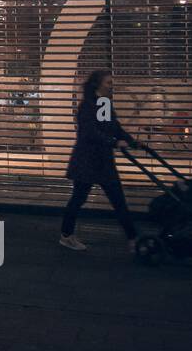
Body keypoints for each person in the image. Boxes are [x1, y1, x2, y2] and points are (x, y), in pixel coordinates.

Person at [59, 70, 140, 251]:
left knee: (117, 200)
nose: (112, 86)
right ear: (98, 84)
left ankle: (133, 238)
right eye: (109, 83)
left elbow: (112, 127)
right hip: (88, 161)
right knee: (79, 199)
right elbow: (91, 133)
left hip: (101, 161)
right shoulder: (88, 105)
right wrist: (114, 142)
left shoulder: (103, 103)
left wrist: (132, 141)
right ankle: (66, 235)